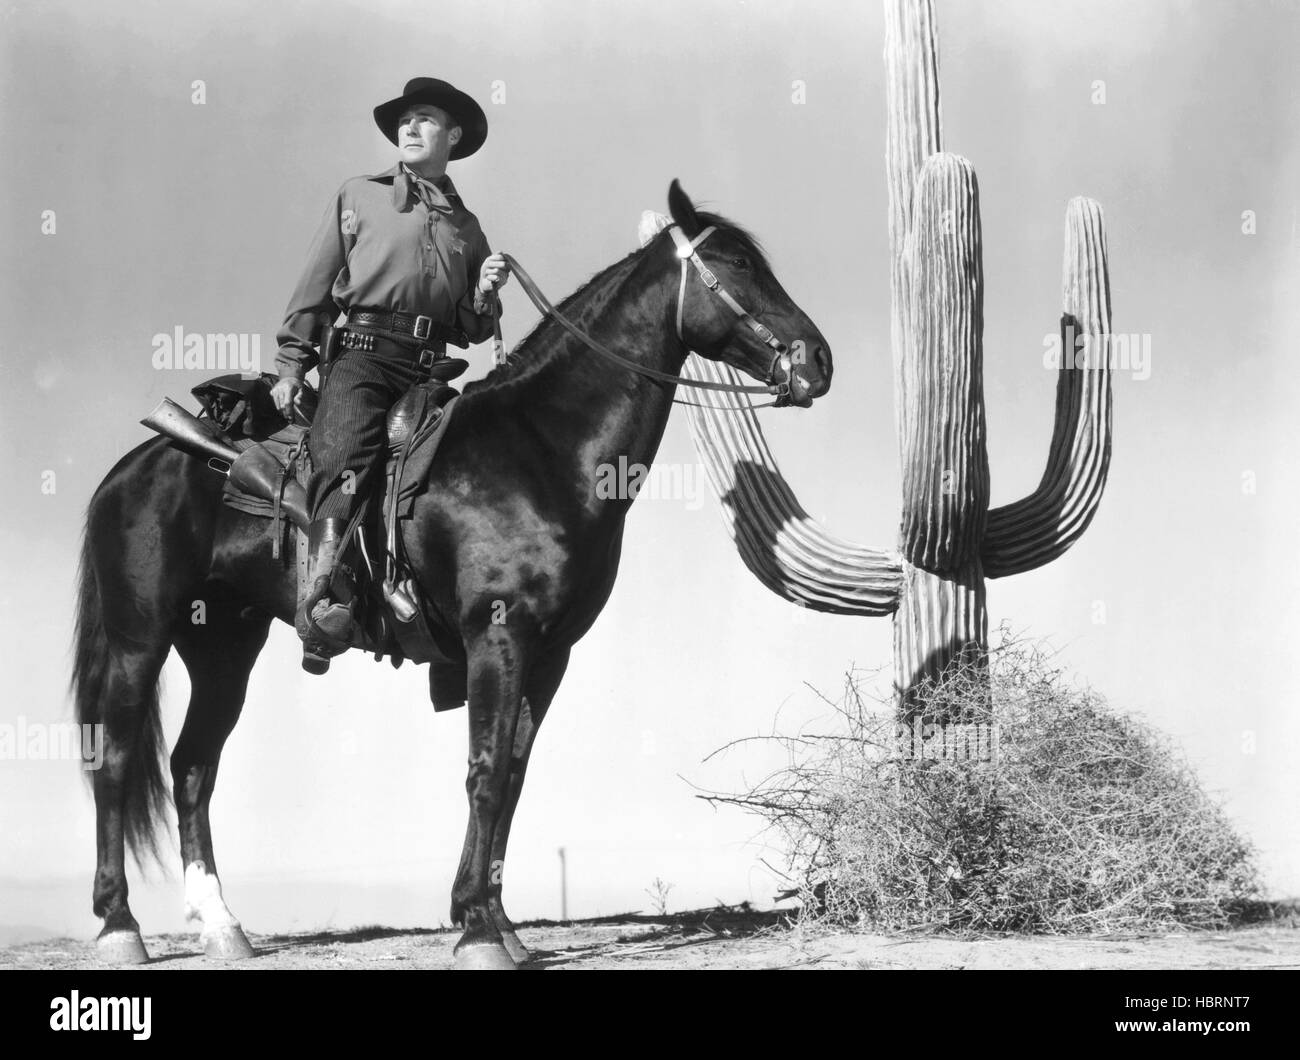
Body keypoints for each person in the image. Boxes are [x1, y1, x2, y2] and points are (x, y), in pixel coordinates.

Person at [270, 77, 510, 675]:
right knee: (348, 450)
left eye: (425, 119)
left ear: (452, 136)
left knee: (468, 472)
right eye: (405, 120)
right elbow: (314, 287)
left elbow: (472, 328)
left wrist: (483, 294)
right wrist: (291, 364)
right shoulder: (359, 195)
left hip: (430, 371)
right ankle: (323, 594)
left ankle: (443, 609)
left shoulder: (468, 228)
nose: (409, 128)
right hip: (361, 355)